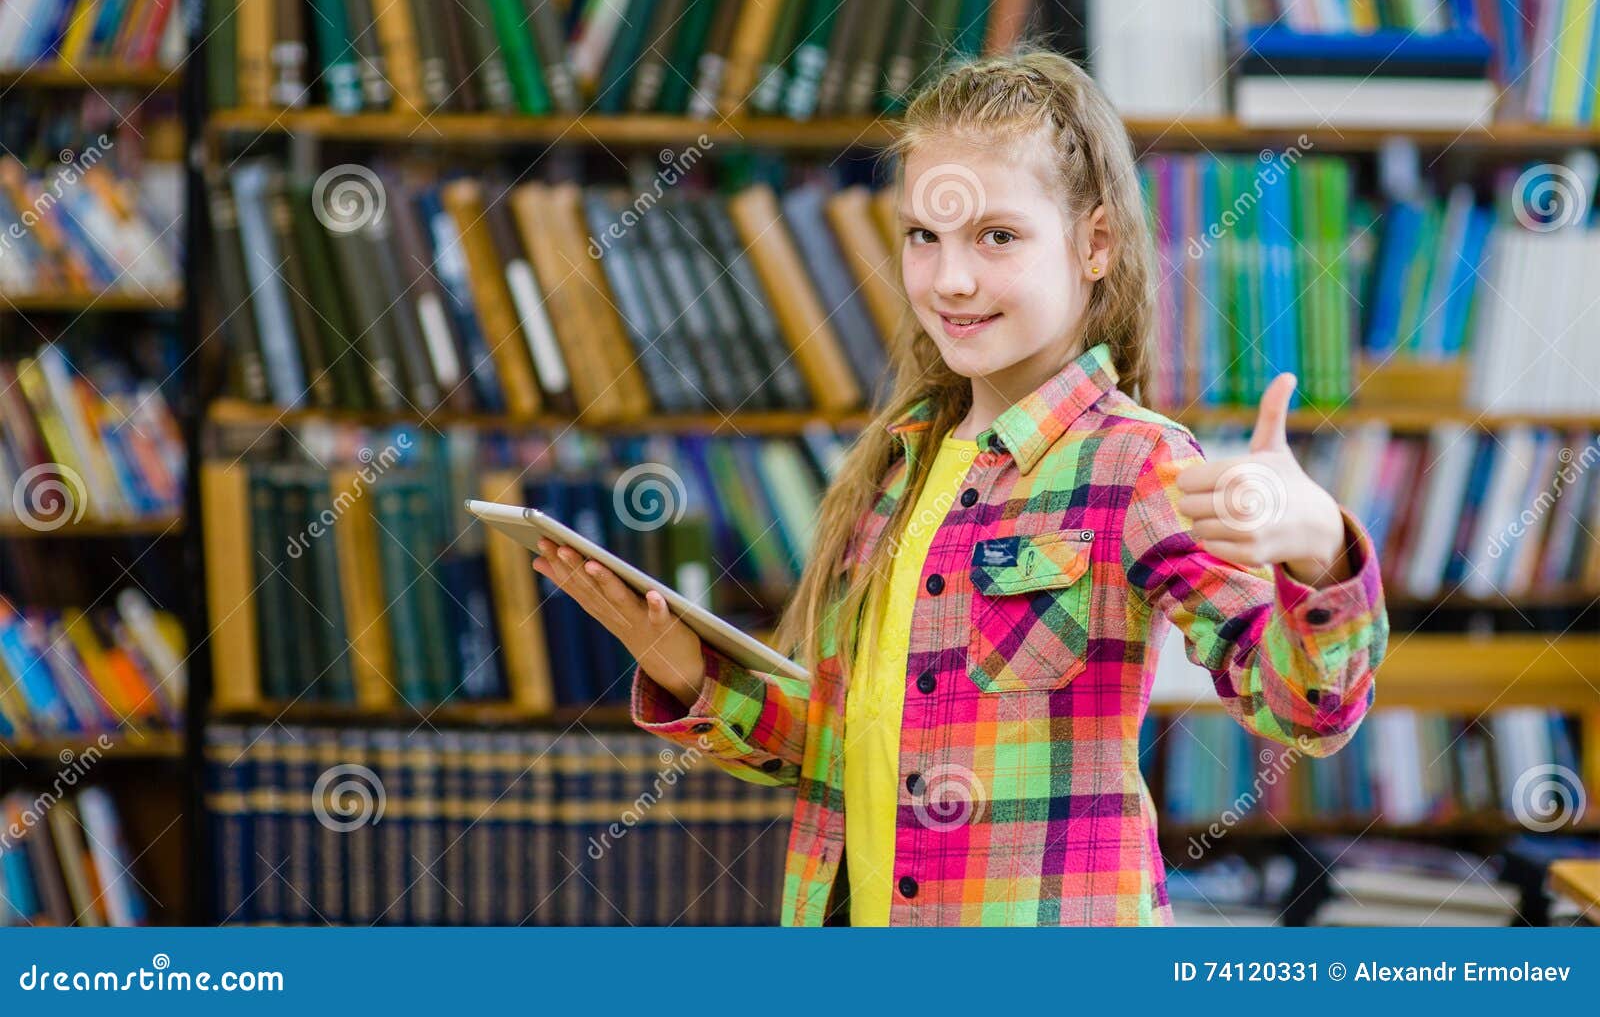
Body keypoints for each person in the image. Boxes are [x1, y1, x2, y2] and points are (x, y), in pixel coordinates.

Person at [533, 48, 1388, 926]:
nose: (951, 280)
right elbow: (843, 750)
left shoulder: (1138, 466)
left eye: (998, 236)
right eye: (924, 236)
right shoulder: (895, 471)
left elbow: (1306, 713)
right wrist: (684, 667)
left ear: (1094, 243)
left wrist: (1322, 552)